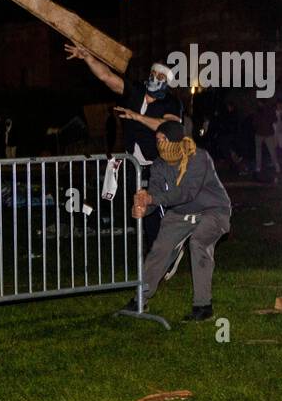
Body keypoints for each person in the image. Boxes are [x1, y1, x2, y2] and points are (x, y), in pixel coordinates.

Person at [65, 44, 183, 246]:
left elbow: (169, 126)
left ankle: (167, 247)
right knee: (141, 209)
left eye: (160, 75)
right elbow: (107, 77)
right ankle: (154, 251)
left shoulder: (171, 103)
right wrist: (87, 57)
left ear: (168, 80)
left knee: (157, 209)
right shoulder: (136, 92)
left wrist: (137, 117)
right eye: (153, 73)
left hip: (159, 165)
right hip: (134, 165)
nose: (155, 78)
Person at [124, 120, 232, 321]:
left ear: (174, 140)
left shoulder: (199, 158)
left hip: (213, 211)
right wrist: (141, 208)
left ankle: (203, 306)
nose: (159, 144)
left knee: (199, 243)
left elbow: (186, 193)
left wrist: (152, 198)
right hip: (181, 213)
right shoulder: (158, 165)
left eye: (163, 139)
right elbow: (155, 196)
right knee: (160, 249)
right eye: (157, 140)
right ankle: (141, 298)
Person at [252, 97, 280, 182]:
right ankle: (276, 167)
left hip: (261, 133)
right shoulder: (270, 110)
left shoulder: (258, 110)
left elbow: (254, 122)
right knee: (271, 151)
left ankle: (258, 167)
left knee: (259, 151)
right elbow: (274, 120)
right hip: (267, 133)